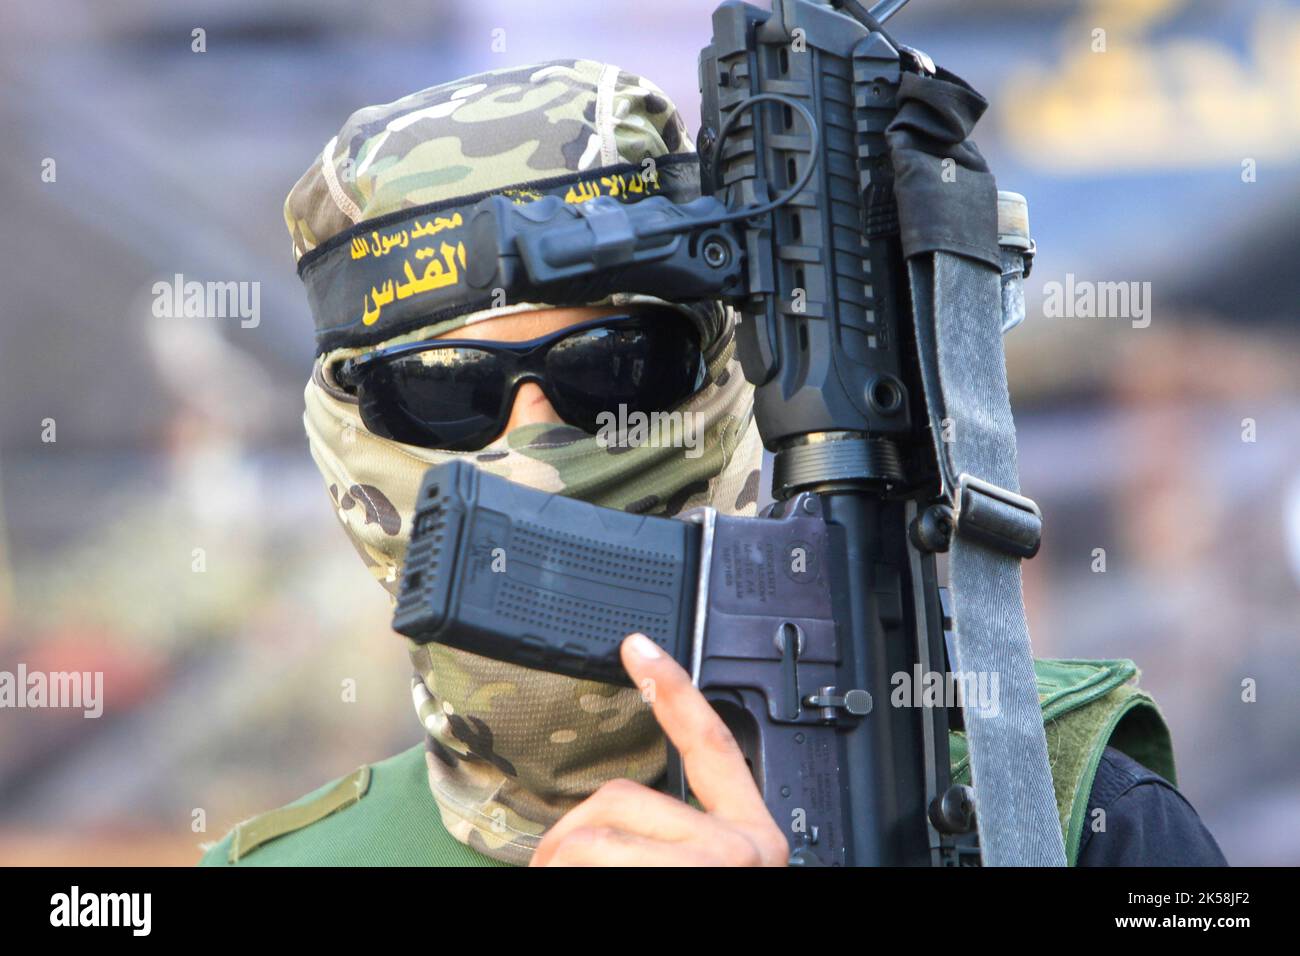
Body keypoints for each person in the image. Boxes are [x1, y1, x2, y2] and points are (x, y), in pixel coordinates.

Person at [199, 60, 1225, 867]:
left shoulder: (1059, 808)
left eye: (614, 366)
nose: (533, 436)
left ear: (719, 370)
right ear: (352, 423)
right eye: (443, 390)